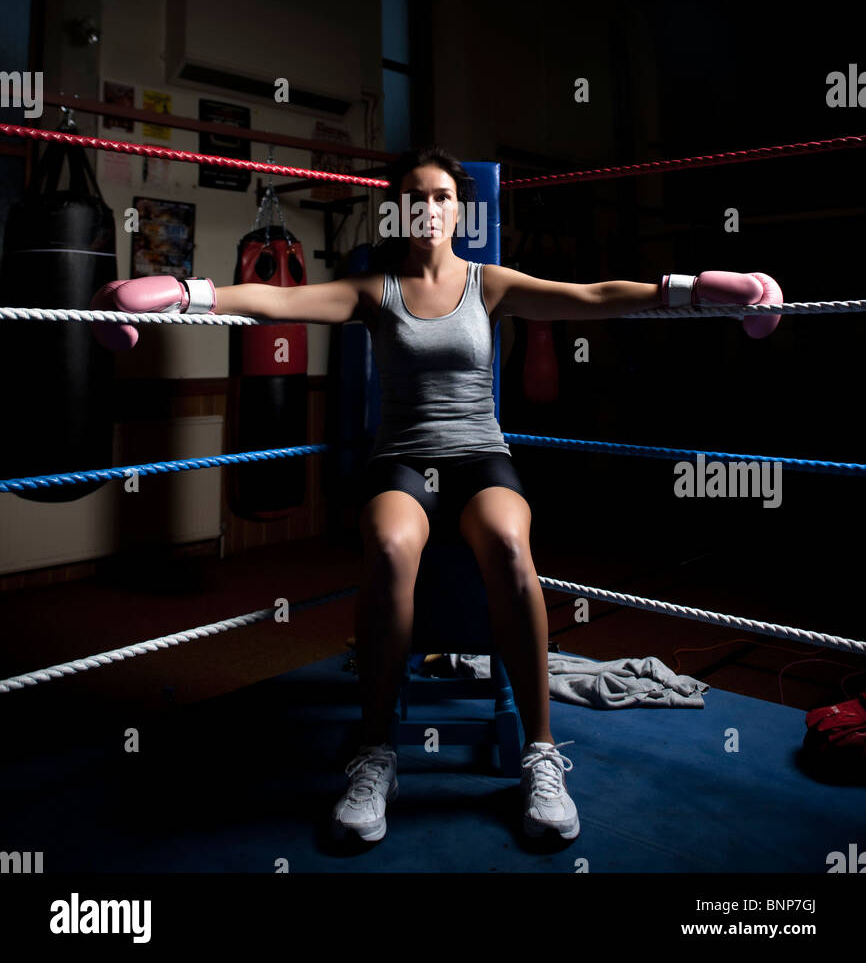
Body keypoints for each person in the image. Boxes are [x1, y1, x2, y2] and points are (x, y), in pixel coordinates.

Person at [91, 143, 782, 846]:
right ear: (398, 209)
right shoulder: (375, 289)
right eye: (415, 196)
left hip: (481, 458)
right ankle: (377, 752)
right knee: (391, 549)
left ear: (461, 208)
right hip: (403, 462)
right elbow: (279, 298)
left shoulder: (489, 283)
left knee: (512, 547)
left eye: (442, 196)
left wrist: (695, 289)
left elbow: (593, 299)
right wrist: (185, 292)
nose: (428, 207)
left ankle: (540, 753)